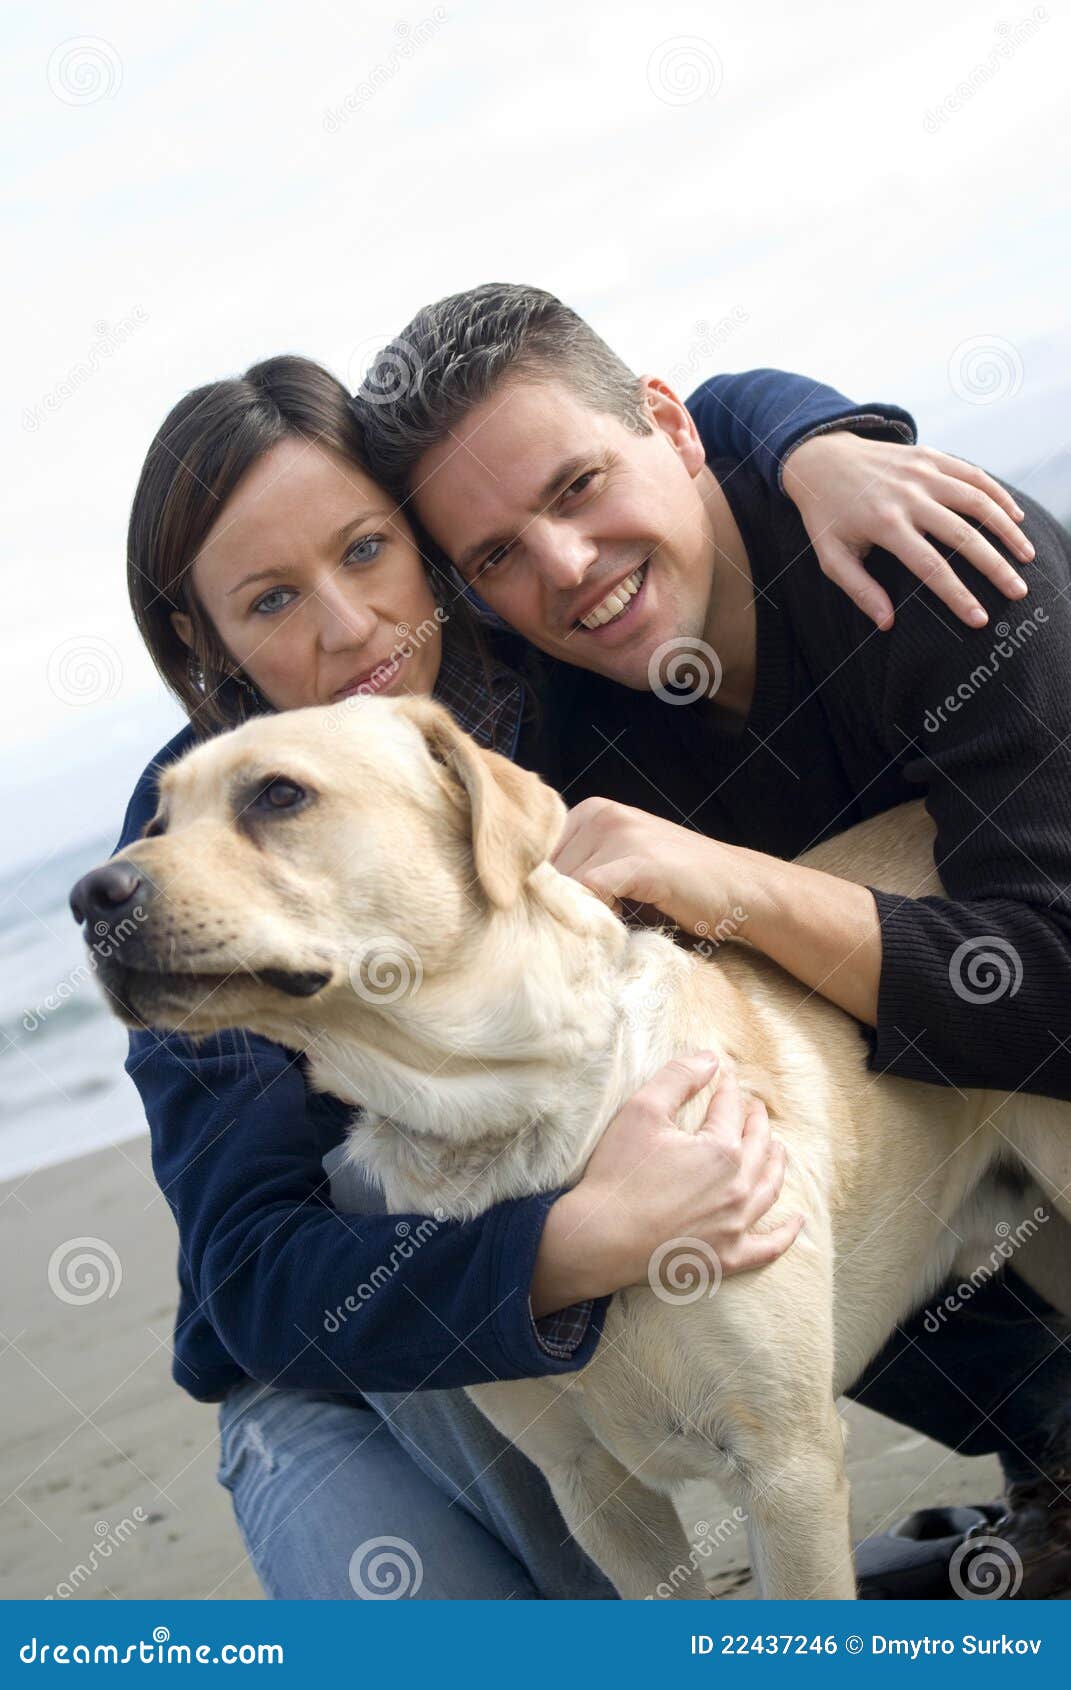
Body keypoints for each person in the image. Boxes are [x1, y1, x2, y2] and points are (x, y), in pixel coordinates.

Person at [113, 354, 1033, 1600]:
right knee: (363, 1187)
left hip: (609, 1259)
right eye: (269, 600)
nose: (345, 626)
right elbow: (256, 1282)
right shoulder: (187, 858)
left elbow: (645, 439)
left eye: (369, 552)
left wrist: (819, 439)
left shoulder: (534, 670)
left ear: (435, 549)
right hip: (336, 1370)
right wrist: (571, 1242)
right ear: (200, 635)